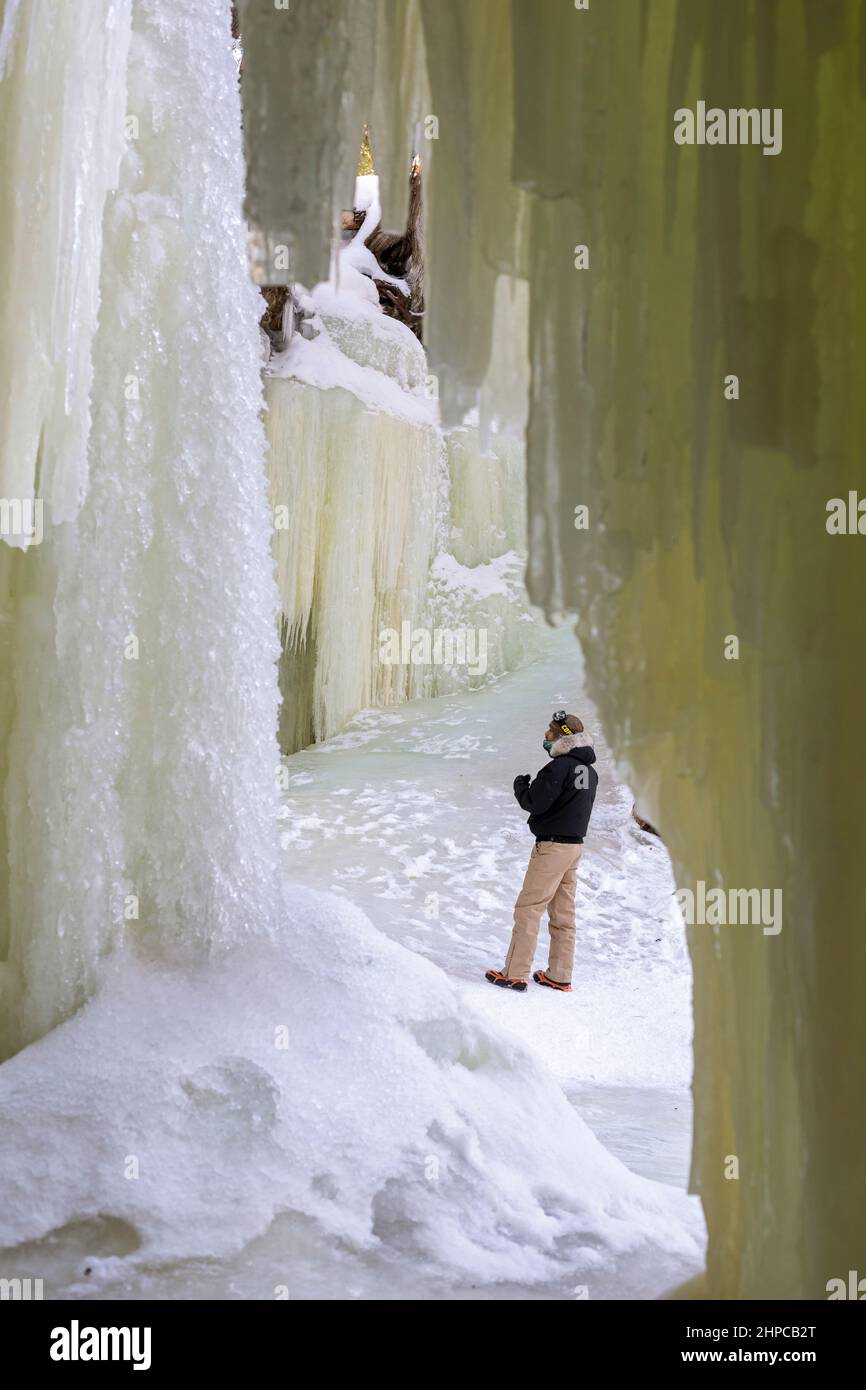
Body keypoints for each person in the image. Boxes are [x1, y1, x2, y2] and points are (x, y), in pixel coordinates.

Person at [486, 711, 598, 993]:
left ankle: (514, 973)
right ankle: (560, 974)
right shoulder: (589, 771)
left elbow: (536, 803)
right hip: (574, 847)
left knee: (529, 909)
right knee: (563, 914)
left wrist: (520, 786)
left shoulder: (558, 768)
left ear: (563, 737)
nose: (545, 736)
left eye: (550, 731)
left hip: (551, 848)